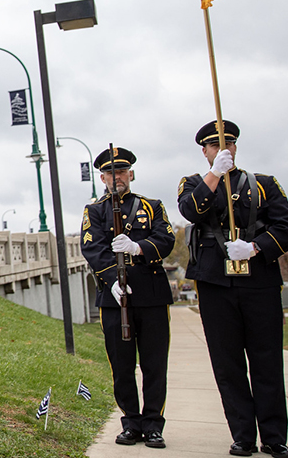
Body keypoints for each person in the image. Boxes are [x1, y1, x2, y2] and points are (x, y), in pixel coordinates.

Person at [177, 120, 288, 458]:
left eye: (227, 143)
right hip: (215, 283)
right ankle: (243, 434)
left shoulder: (263, 184)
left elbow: (287, 227)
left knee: (267, 361)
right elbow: (190, 211)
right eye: (214, 146)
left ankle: (274, 436)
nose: (222, 149)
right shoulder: (193, 183)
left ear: (236, 146)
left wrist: (256, 247)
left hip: (259, 280)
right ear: (205, 151)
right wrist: (214, 176)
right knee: (228, 363)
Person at [80, 147, 175, 450]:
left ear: (130, 174)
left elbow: (166, 239)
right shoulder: (94, 211)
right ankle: (131, 423)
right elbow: (92, 247)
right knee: (121, 365)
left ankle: (153, 424)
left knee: (154, 363)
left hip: (151, 294)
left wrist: (138, 247)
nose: (115, 178)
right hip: (114, 297)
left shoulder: (153, 206)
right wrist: (111, 280)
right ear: (102, 177)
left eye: (121, 172)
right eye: (110, 173)